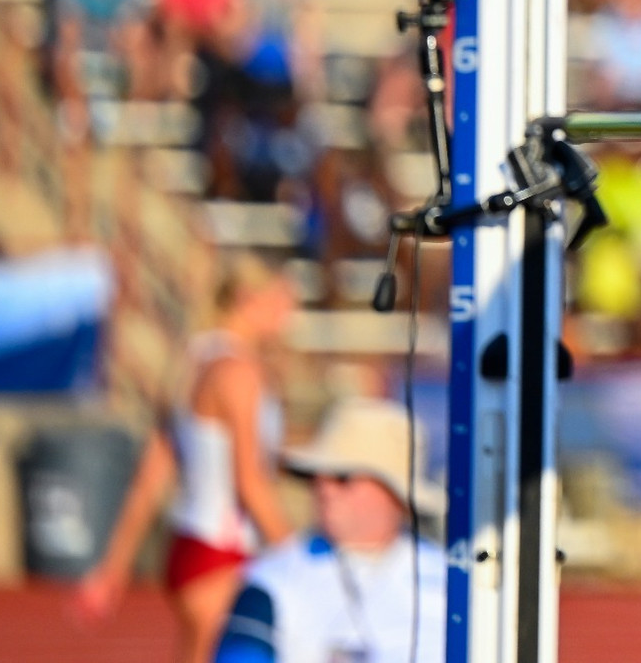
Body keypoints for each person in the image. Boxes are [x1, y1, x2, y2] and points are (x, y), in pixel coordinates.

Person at [77, 255, 299, 663]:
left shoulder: (191, 361)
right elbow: (249, 482)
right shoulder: (238, 372)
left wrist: (113, 568)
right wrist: (298, 558)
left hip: (187, 545)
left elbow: (151, 475)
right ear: (250, 297)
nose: (292, 311)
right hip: (225, 550)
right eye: (283, 298)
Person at [212, 397, 446, 663]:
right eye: (315, 476)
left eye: (342, 477)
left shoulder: (453, 581)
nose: (323, 488)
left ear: (396, 495)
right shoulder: (274, 578)